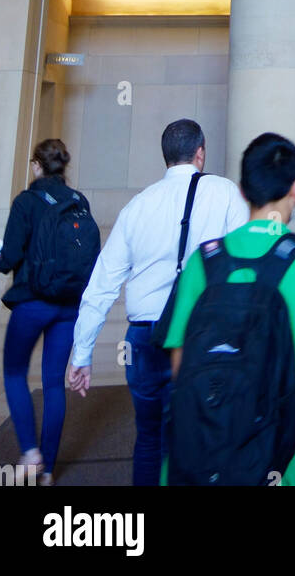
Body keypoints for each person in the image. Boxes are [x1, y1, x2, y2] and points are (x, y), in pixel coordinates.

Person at [67, 118, 247, 486]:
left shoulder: (137, 206)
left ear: (165, 158)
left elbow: (101, 285)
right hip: (202, 335)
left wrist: (81, 354)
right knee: (204, 438)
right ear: (201, 152)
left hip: (144, 340)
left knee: (149, 439)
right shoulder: (225, 192)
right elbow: (242, 267)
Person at [164, 133, 295, 487]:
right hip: (282, 463)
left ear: (242, 189)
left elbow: (180, 367)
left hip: (198, 459)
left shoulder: (203, 261)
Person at [0, 139, 99, 486]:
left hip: (32, 302)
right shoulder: (78, 202)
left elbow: (8, 258)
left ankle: (30, 452)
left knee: (14, 373)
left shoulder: (26, 202)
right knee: (54, 384)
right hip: (69, 306)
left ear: (37, 165)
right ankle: (49, 471)